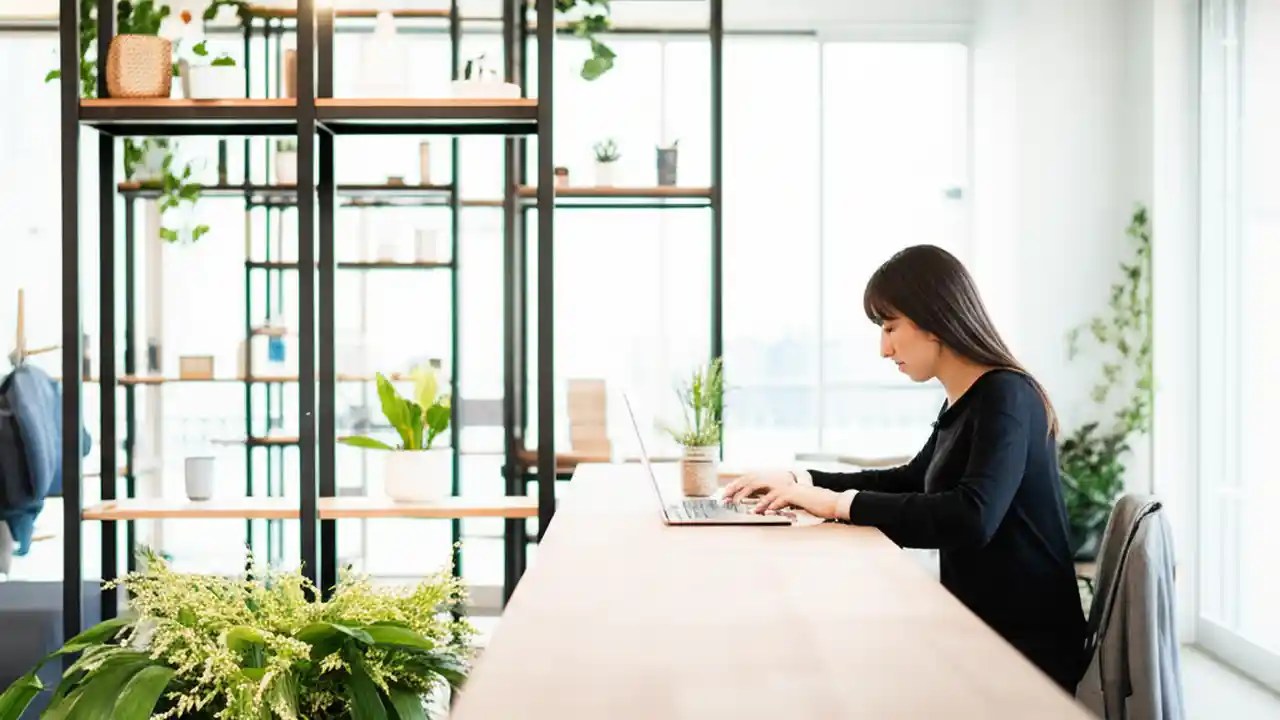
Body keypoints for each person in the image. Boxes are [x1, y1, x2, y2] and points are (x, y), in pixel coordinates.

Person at [722, 244, 1087, 692]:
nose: (883, 348)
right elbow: (911, 479)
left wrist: (837, 505)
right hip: (979, 627)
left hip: (1022, 649)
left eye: (890, 327)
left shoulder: (1006, 396)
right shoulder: (968, 400)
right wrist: (802, 481)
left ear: (934, 318)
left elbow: (972, 518)